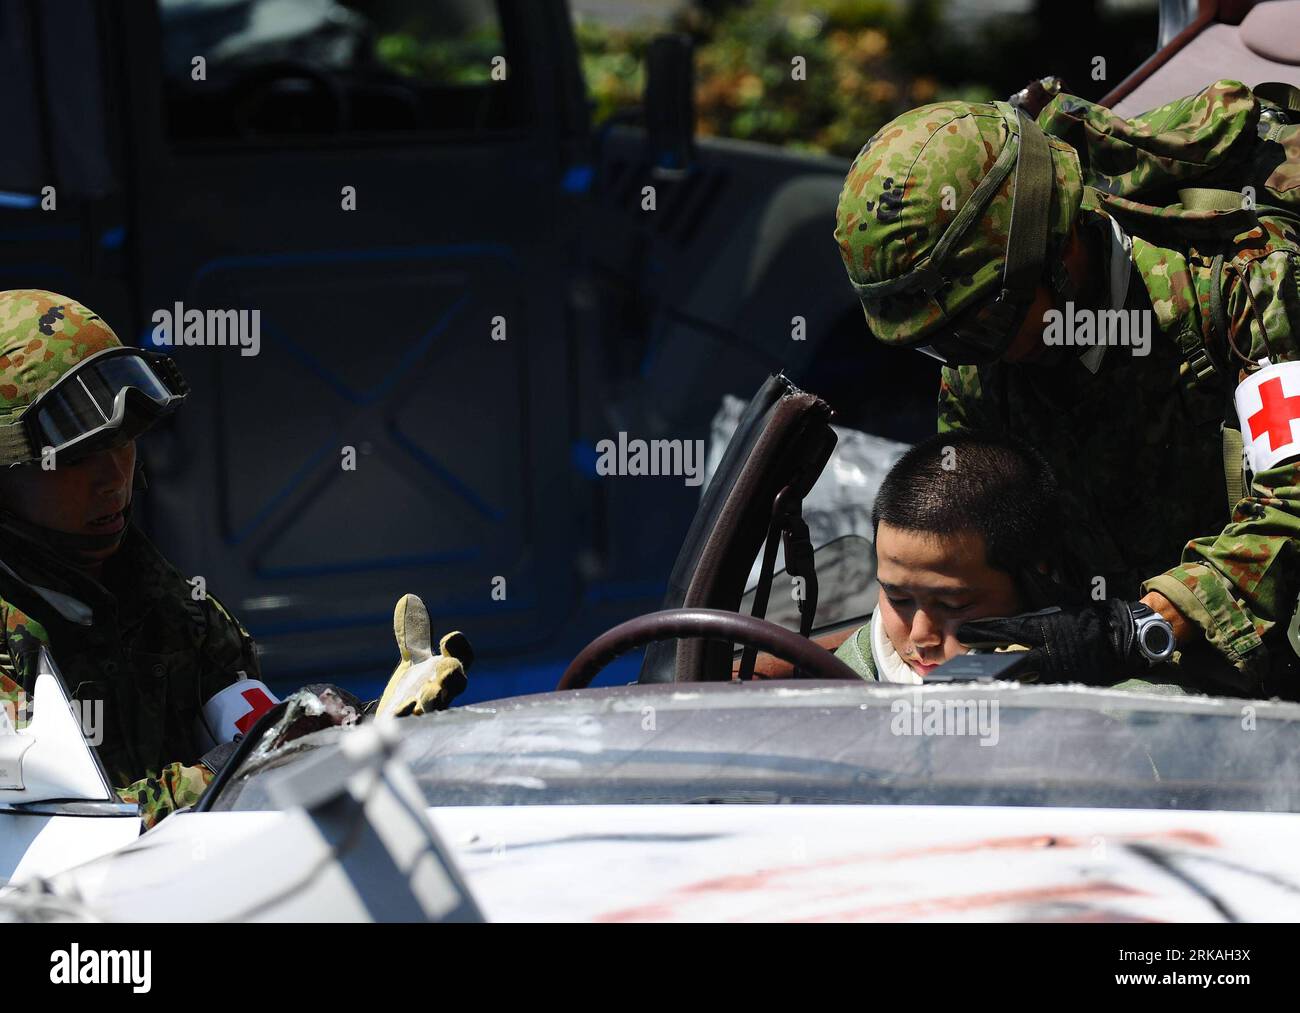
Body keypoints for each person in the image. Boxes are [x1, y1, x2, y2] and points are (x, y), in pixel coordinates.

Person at [833, 83, 1300, 698]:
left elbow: (1291, 501)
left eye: (982, 323)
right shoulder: (981, 369)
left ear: (1056, 251)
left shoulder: (1241, 284)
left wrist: (1142, 625)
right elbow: (971, 554)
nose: (971, 359)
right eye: (940, 344)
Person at [0, 290, 470, 828]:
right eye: (77, 457)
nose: (113, 478)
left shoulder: (165, 600)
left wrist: (358, 731)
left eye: (124, 441)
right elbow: (55, 836)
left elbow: (249, 725)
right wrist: (246, 765)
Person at [834, 431, 1067, 683]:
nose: (920, 636)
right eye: (898, 599)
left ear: (1034, 583)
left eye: (953, 606)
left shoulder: (1103, 706)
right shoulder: (843, 676)